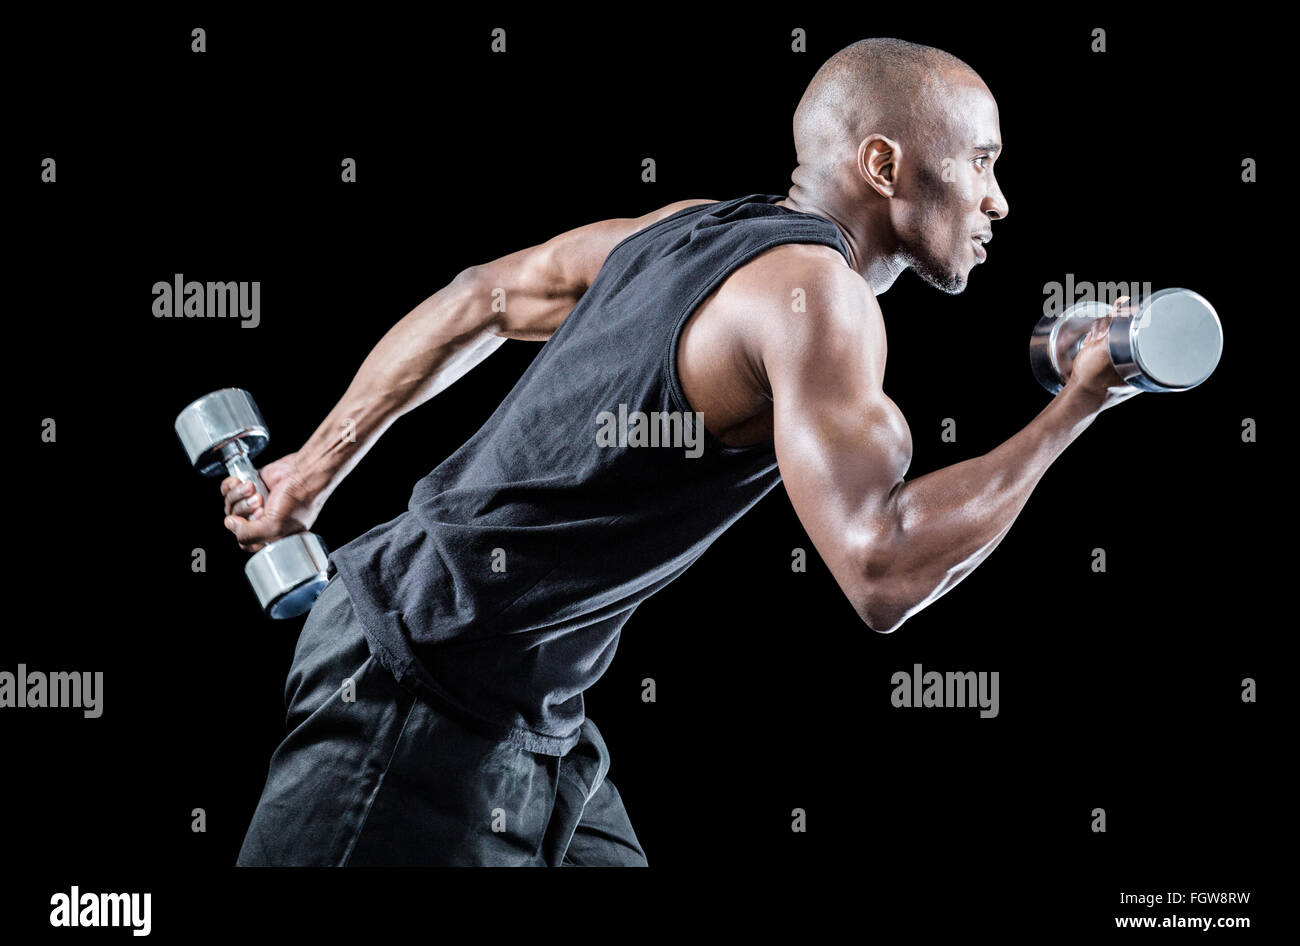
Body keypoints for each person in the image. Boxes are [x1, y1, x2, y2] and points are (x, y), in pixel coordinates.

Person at [227, 37, 1139, 866]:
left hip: (529, 708)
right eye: (981, 162)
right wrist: (1082, 403)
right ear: (883, 164)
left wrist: (308, 474)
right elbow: (882, 569)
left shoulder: (689, 228)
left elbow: (484, 296)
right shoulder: (821, 301)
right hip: (417, 680)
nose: (997, 199)